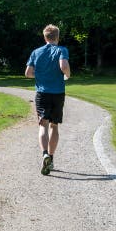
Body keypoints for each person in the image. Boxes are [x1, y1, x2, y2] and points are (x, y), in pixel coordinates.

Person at [25, 24, 71, 176]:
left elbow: (28, 73)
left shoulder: (36, 52)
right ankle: (50, 158)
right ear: (57, 37)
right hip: (58, 93)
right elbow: (63, 65)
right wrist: (68, 74)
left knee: (43, 125)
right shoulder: (62, 50)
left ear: (45, 37)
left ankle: (44, 153)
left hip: (42, 93)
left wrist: (40, 76)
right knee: (54, 126)